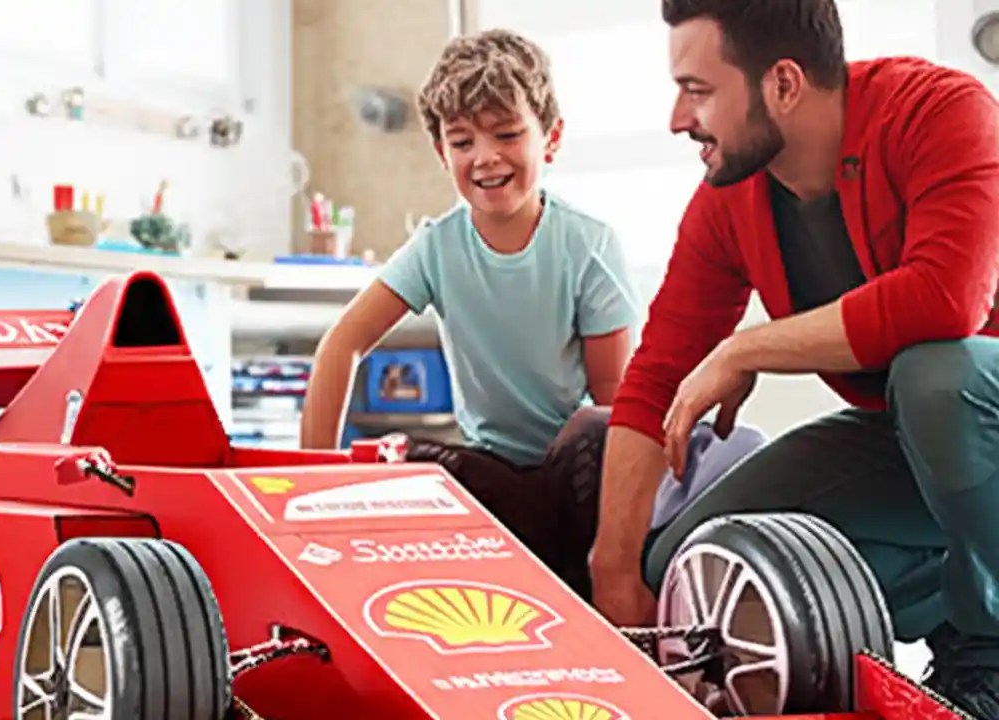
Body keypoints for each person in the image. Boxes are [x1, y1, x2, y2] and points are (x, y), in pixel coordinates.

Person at [579, 0, 999, 715]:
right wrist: (614, 568)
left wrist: (748, 348)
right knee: (692, 568)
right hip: (916, 449)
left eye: (698, 90)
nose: (680, 119)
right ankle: (958, 615)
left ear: (782, 83)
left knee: (933, 377)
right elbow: (657, 380)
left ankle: (991, 651)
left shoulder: (942, 111)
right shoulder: (730, 198)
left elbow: (944, 301)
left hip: (971, 410)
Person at [298, 29, 639, 595]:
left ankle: (577, 574)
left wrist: (623, 550)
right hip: (493, 474)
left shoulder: (588, 245)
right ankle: (525, 566)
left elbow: (615, 400)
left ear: (549, 139)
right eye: (462, 142)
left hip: (577, 472)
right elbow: (342, 345)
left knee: (598, 429)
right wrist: (310, 485)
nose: (485, 158)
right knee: (403, 459)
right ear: (442, 153)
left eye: (507, 134)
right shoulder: (437, 246)